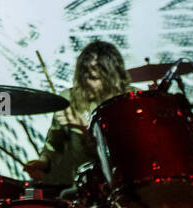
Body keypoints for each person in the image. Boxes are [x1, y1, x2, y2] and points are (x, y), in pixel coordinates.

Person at [24, 40, 131, 195]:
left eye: (93, 77)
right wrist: (43, 162)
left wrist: (84, 129)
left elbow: (123, 154)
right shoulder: (69, 98)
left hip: (118, 184)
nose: (86, 81)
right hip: (79, 186)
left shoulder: (127, 100)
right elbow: (54, 144)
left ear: (111, 75)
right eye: (83, 75)